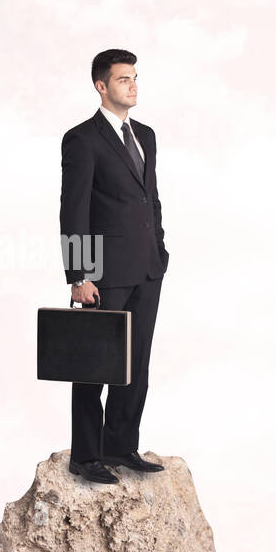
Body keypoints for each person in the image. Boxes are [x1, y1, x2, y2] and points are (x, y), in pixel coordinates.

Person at [59, 48, 168, 484]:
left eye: (136, 77)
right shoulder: (82, 139)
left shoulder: (147, 135)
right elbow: (74, 209)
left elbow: (151, 200)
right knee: (95, 365)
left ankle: (120, 445)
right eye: (124, 79)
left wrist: (160, 250)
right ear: (101, 86)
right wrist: (78, 275)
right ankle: (85, 456)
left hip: (147, 268)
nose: (134, 85)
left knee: (136, 363)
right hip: (103, 274)